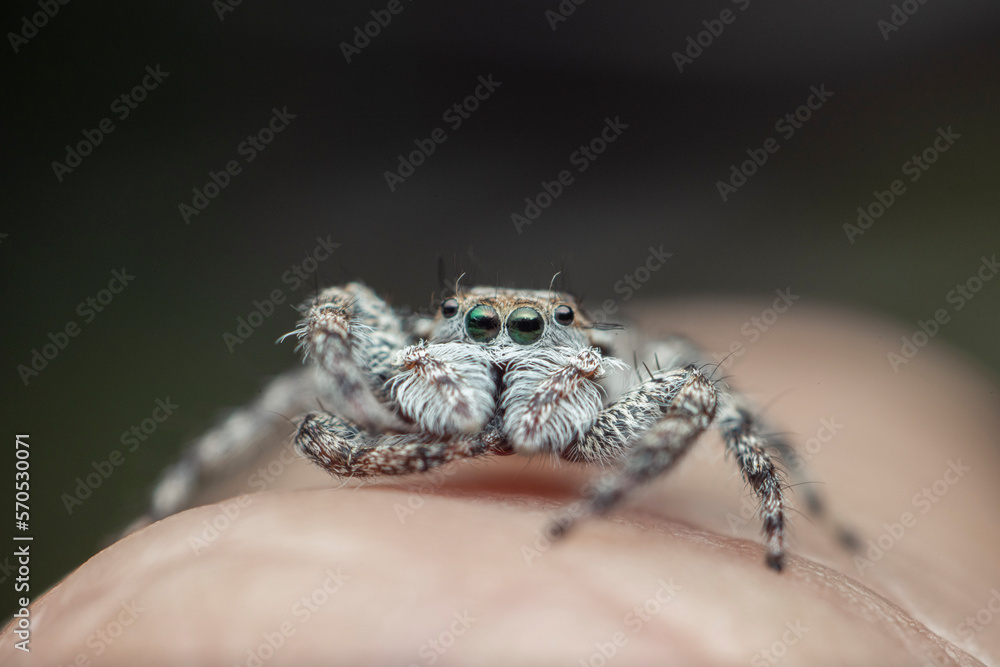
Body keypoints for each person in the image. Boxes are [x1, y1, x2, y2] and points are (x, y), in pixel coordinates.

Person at [3, 301, 998, 666]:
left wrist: (787, 517)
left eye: (530, 337)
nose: (504, 353)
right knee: (319, 343)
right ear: (448, 330)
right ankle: (176, 489)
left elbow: (707, 399)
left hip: (598, 455)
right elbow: (318, 397)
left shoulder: (619, 389)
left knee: (704, 373)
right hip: (414, 437)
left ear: (569, 341)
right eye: (478, 332)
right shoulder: (428, 356)